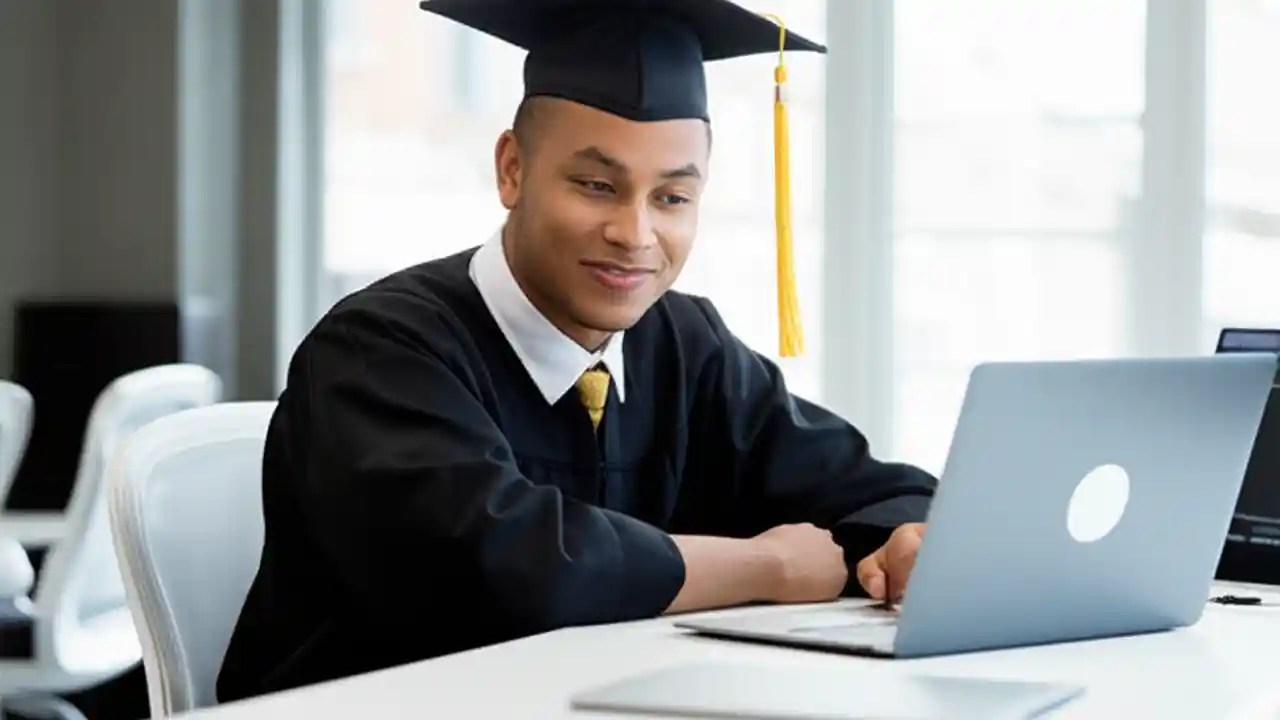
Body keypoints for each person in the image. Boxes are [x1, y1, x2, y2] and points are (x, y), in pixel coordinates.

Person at [217, 0, 938, 703]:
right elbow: (506, 568)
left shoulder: (686, 345)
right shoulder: (382, 348)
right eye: (597, 185)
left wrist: (906, 540)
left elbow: (864, 486)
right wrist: (767, 565)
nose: (635, 233)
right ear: (512, 170)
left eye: (673, 198)